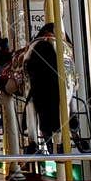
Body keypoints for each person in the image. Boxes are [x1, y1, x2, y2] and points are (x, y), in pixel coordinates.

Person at [26, 21, 62, 151]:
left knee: (30, 103)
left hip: (41, 93)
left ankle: (32, 140)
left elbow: (29, 69)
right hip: (50, 93)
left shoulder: (35, 48)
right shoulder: (52, 49)